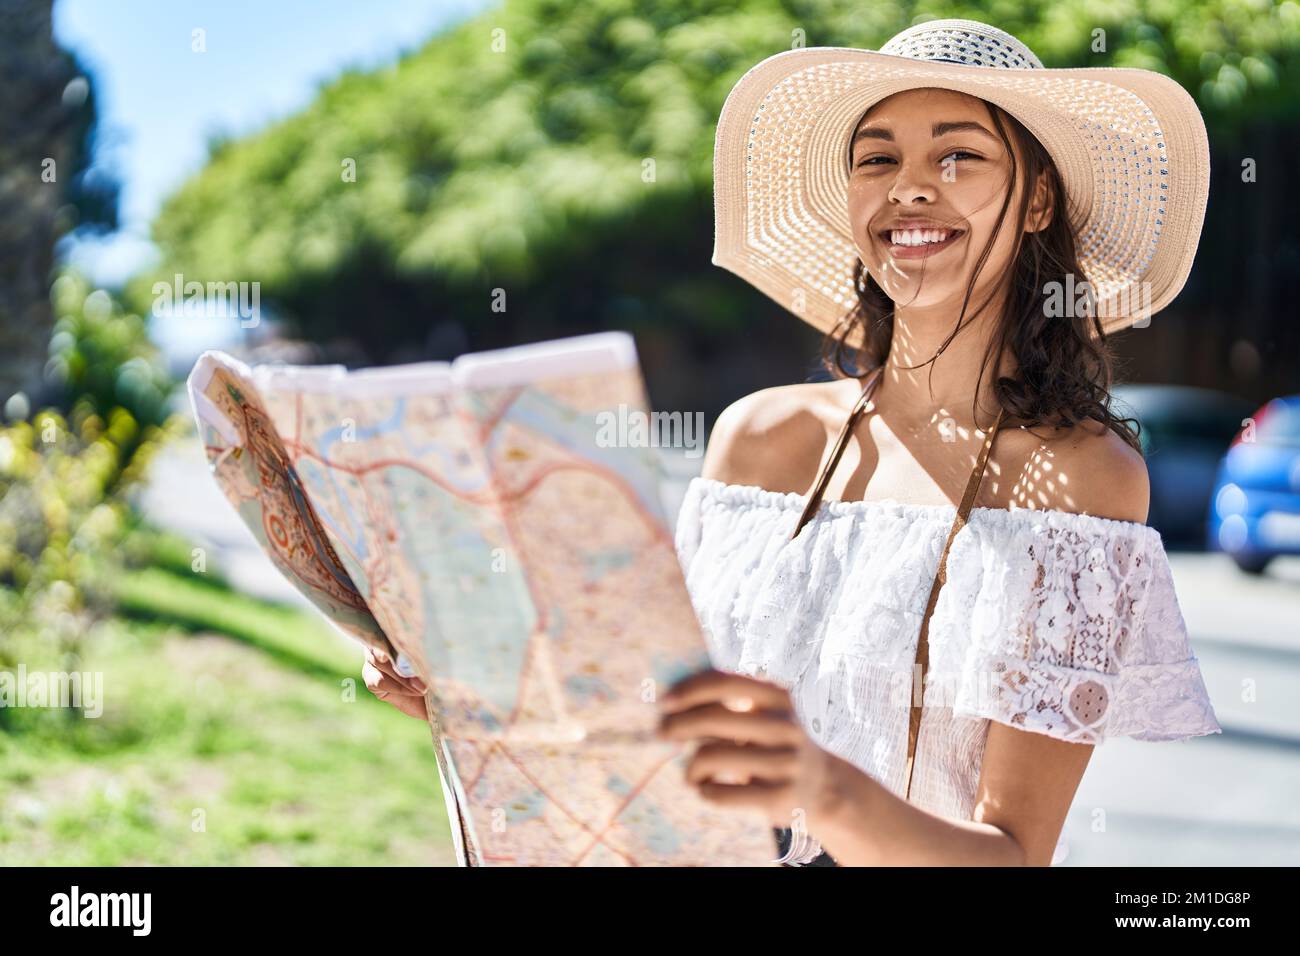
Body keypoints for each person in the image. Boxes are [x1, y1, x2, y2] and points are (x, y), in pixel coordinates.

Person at [367, 18, 1223, 866]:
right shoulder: (759, 439)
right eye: (877, 158)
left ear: (1037, 199)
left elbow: (1012, 856)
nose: (910, 188)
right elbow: (660, 722)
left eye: (958, 156)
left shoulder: (1079, 478)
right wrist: (478, 687)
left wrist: (822, 788)